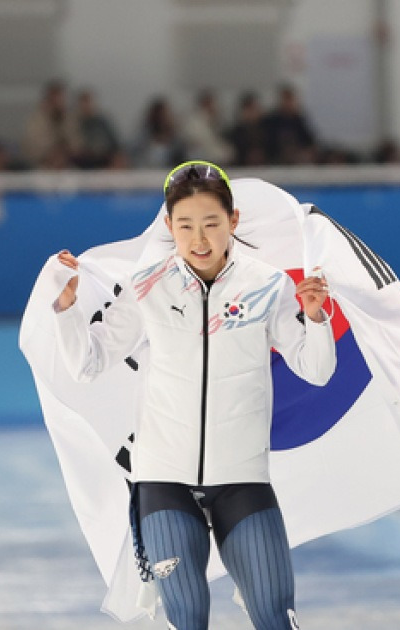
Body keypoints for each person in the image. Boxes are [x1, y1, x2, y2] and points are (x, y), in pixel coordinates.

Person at [49, 160, 337, 629]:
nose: (199, 239)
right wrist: (65, 310)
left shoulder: (267, 285)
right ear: (169, 226)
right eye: (185, 226)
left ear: (233, 221)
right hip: (164, 481)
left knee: (274, 616)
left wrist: (317, 318)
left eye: (211, 224)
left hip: (242, 480)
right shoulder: (146, 287)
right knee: (188, 618)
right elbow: (88, 363)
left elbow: (317, 370)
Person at [23, 80, 82, 169]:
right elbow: (32, 145)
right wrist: (52, 153)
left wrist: (65, 151)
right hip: (43, 166)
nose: (59, 102)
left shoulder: (69, 119)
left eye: (61, 98)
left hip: (68, 166)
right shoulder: (36, 120)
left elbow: (77, 143)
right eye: (56, 98)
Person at [262, 84, 318, 165]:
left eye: (290, 99)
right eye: (285, 99)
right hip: (276, 159)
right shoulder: (271, 121)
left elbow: (309, 141)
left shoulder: (298, 120)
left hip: (297, 159)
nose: (287, 103)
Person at [181, 88, 235, 165]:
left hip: (215, 156)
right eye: (211, 103)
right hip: (200, 156)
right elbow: (200, 141)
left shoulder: (217, 120)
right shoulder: (194, 122)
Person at [75, 88, 122, 169]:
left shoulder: (103, 122)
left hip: (104, 162)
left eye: (88, 102)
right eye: (83, 102)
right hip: (82, 164)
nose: (86, 105)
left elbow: (115, 144)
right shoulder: (75, 123)